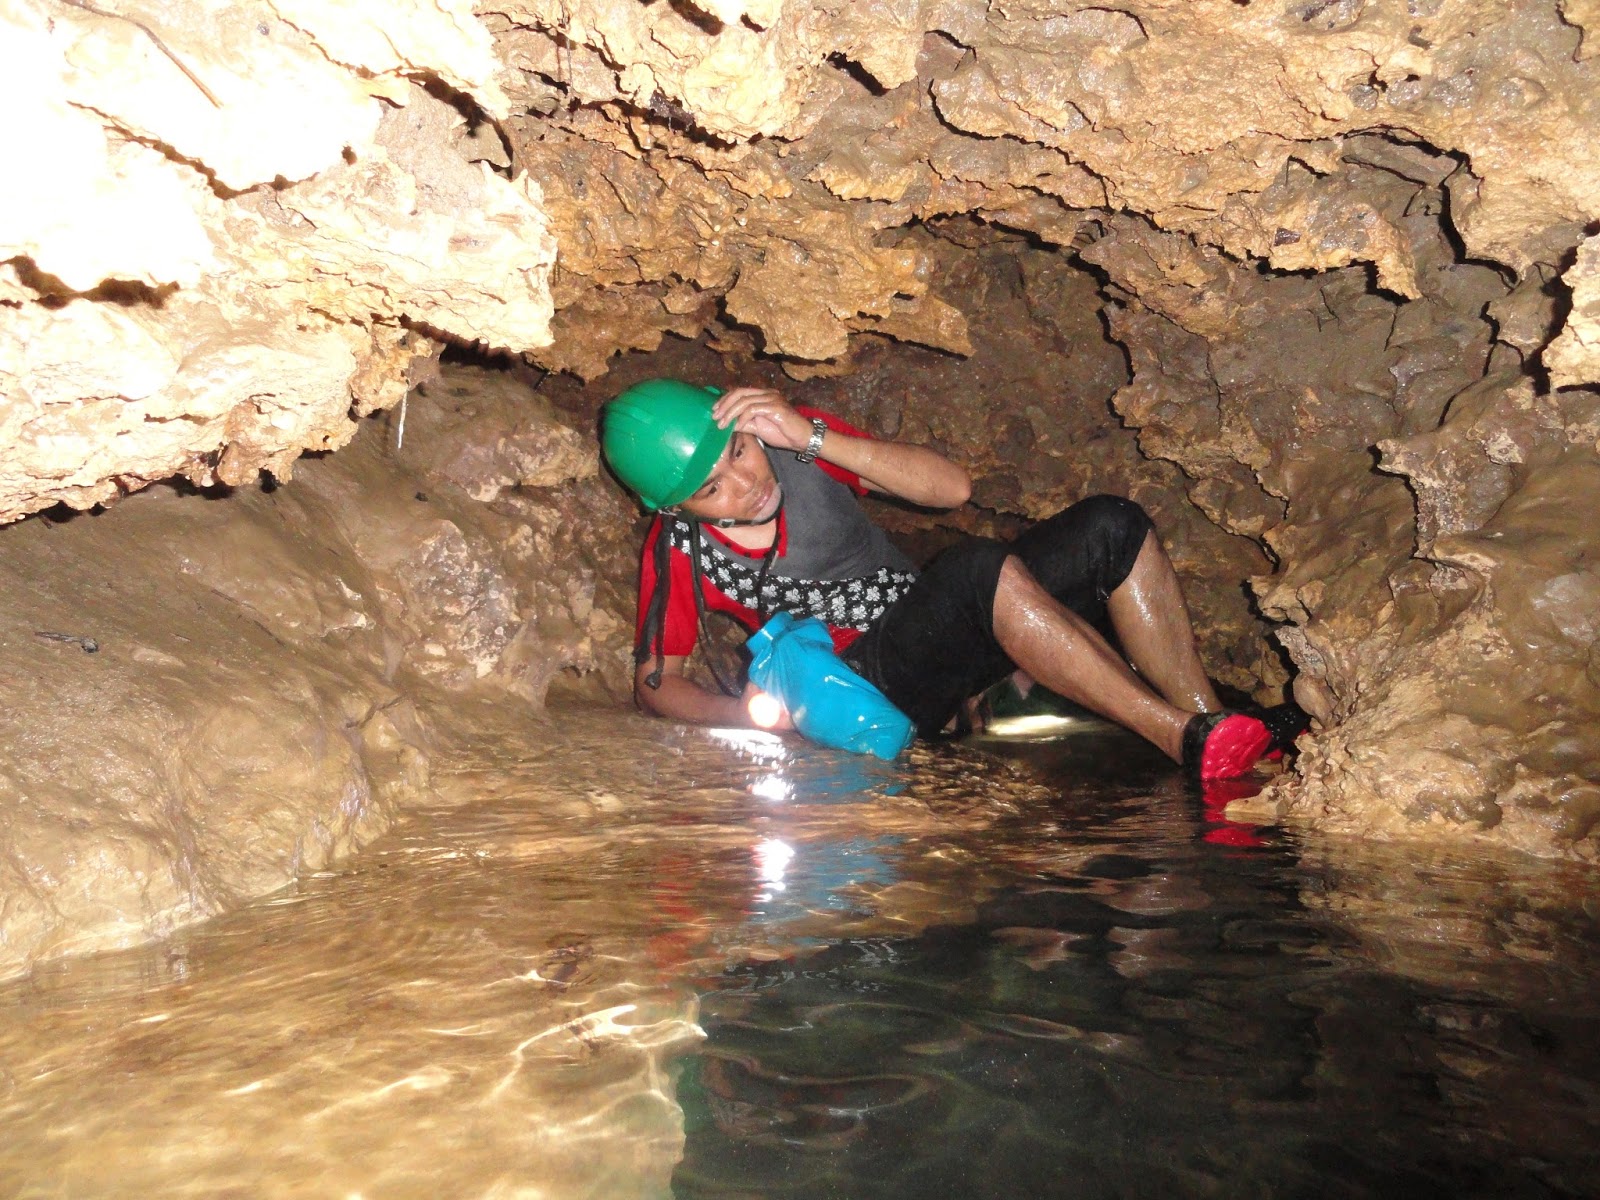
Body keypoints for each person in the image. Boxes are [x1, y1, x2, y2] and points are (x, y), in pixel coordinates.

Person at [601, 378, 1298, 781]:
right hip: (864, 681)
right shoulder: (680, 550)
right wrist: (759, 721)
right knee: (972, 569)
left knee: (1112, 527)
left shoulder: (795, 442)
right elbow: (654, 679)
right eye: (712, 490)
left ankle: (1216, 724)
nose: (746, 485)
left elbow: (951, 490)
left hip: (937, 629)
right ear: (675, 508)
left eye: (741, 452)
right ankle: (1180, 737)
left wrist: (807, 436)